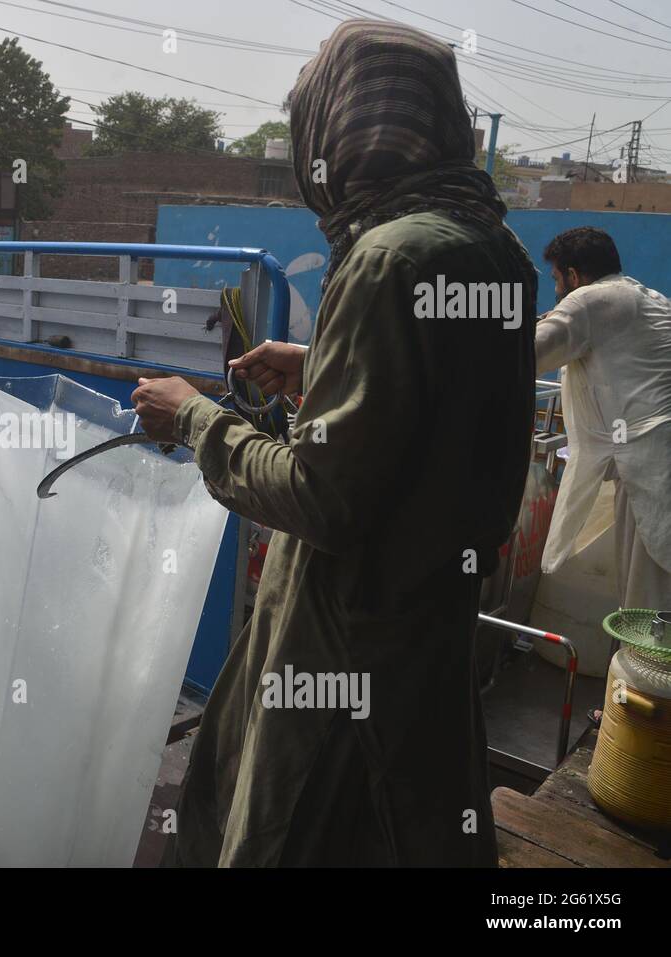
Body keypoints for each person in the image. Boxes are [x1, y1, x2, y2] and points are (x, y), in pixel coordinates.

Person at [130, 19, 538, 866]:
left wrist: (198, 418)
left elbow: (323, 497)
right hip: (429, 641)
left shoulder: (383, 261)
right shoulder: (494, 249)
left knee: (299, 827)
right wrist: (323, 362)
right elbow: (440, 398)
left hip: (343, 651)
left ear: (343, 132)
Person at [535, 227, 671, 610]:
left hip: (649, 465)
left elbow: (528, 354)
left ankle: (644, 669)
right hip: (653, 455)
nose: (558, 289)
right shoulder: (652, 298)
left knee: (648, 603)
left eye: (558, 279)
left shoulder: (588, 301)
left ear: (574, 276)